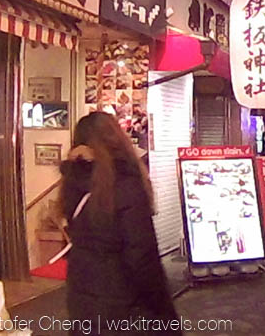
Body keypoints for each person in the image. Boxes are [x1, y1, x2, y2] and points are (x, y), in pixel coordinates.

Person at [61, 112, 181, 334]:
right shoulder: (126, 184)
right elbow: (142, 256)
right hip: (124, 305)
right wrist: (162, 308)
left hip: (83, 297)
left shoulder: (73, 182)